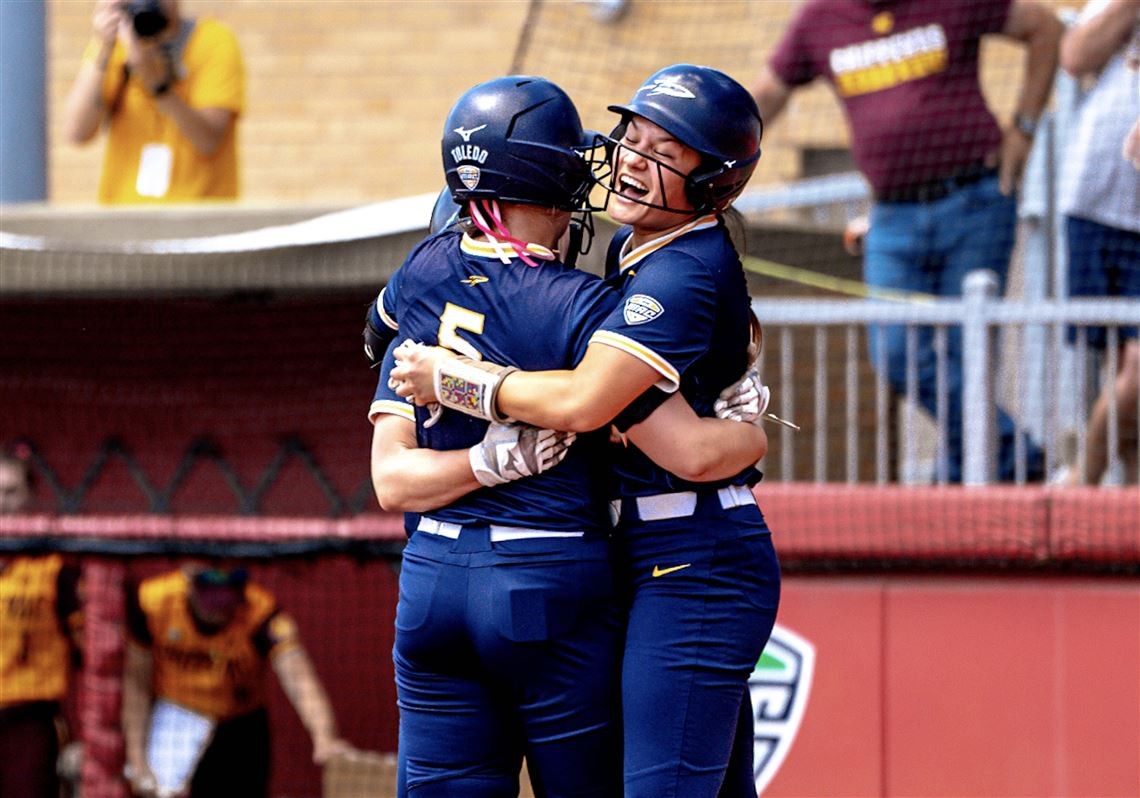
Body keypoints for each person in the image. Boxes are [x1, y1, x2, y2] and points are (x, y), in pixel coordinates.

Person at [368, 73, 769, 797]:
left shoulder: (428, 276)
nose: (631, 161)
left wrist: (457, 382)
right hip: (610, 560)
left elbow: (596, 406)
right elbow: (682, 438)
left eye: (665, 153)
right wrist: (747, 435)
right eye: (634, 141)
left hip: (686, 552)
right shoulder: (600, 279)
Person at [751, 0, 1063, 483]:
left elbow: (1045, 28)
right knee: (896, 353)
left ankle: (961, 483)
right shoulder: (820, 19)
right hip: (891, 216)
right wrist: (712, 153)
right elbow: (768, 94)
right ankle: (1010, 453)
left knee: (969, 353)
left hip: (976, 200)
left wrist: (1024, 128)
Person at [122, 562, 347, 798]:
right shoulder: (154, 602)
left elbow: (299, 678)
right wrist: (136, 757)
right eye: (210, 596)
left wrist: (324, 737)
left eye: (227, 597)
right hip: (176, 716)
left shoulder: (261, 613)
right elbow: (136, 682)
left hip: (239, 722)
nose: (218, 609)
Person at [1054, 0, 1140, 486]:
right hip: (1096, 202)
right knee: (1120, 373)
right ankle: (1125, 509)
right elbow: (1074, 56)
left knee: (1138, 372)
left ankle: (1082, 482)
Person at [62, 0, 244, 204]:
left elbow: (208, 141)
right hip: (127, 216)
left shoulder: (213, 41)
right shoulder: (117, 44)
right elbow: (77, 132)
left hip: (197, 215)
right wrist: (103, 50)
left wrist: (158, 86)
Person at [0, 451, 84, 798]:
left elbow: (92, 653)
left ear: (30, 498)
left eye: (10, 492)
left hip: (28, 718)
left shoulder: (54, 568)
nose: (0, 503)